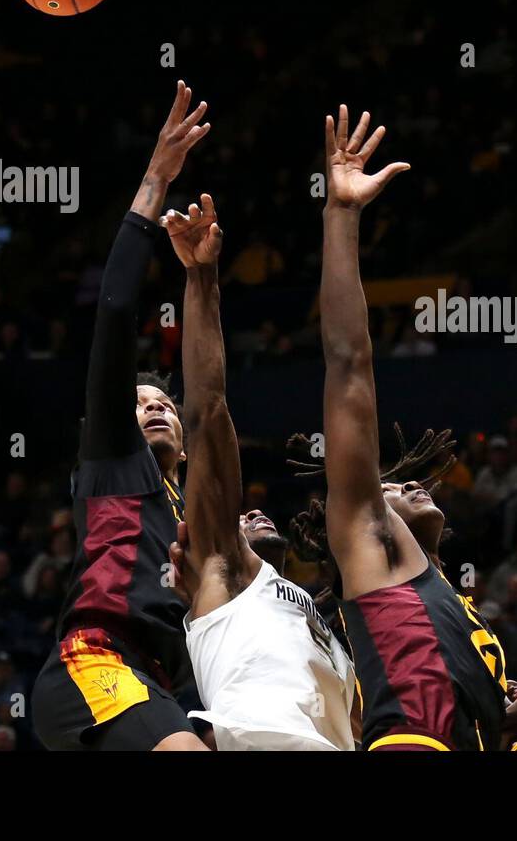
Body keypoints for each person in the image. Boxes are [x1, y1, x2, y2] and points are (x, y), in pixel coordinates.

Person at [290, 106, 517, 751]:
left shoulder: (457, 608)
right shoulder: (371, 547)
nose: (415, 486)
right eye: (391, 486)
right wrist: (341, 217)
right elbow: (348, 366)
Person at [31, 82, 211, 752]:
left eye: (165, 403)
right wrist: (156, 181)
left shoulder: (191, 510)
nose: (157, 407)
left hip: (158, 685)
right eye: (140, 404)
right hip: (95, 661)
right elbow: (112, 312)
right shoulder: (112, 457)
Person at [159, 193, 356, 750]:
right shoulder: (222, 570)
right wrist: (202, 281)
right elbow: (207, 410)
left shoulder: (319, 624)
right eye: (238, 517)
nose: (251, 512)